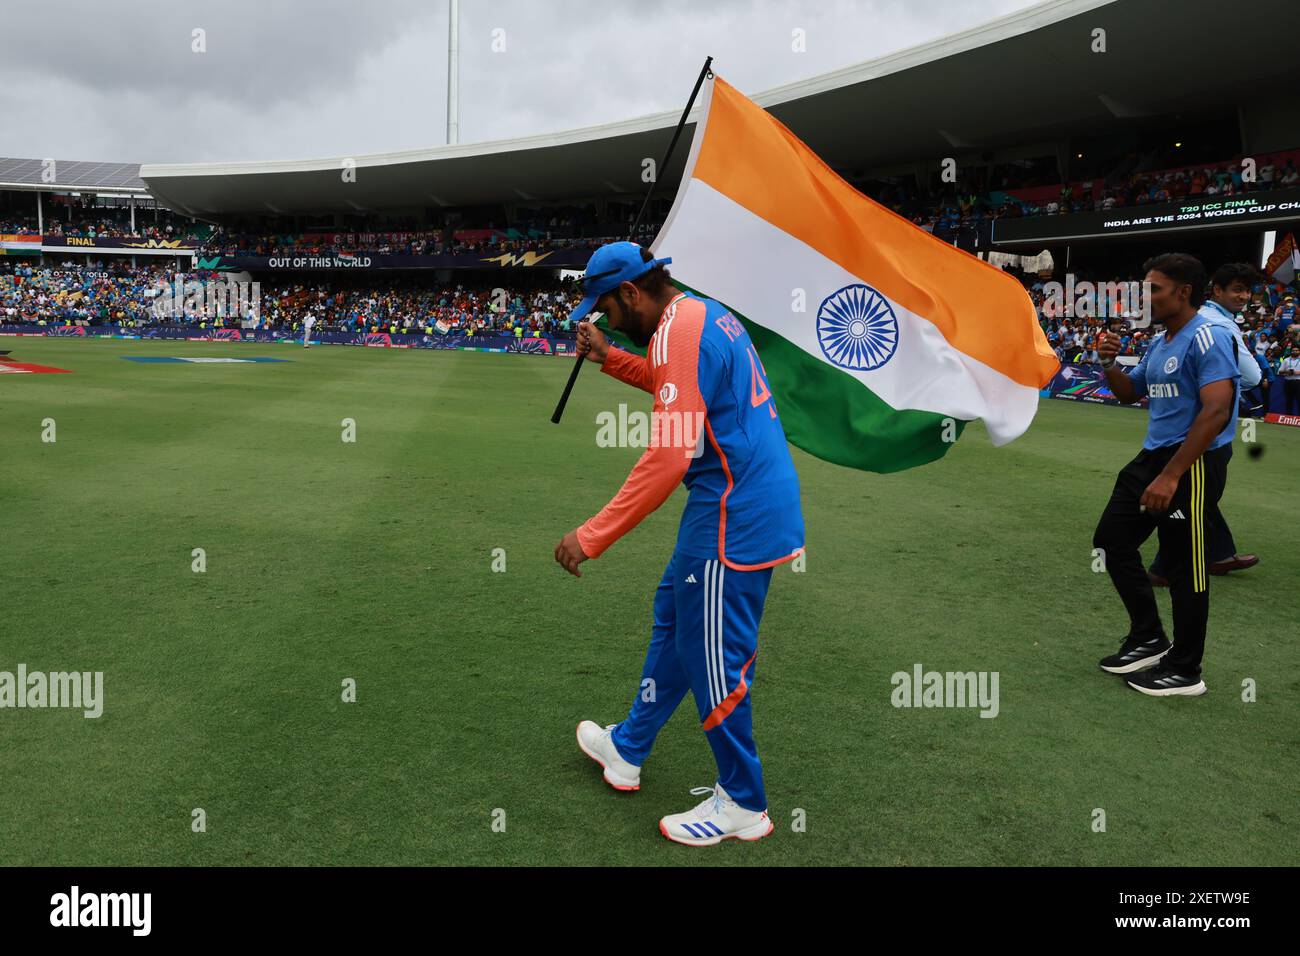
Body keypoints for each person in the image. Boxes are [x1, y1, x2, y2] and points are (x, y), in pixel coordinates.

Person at [557, 241, 804, 845]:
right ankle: (628, 748)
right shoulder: (696, 314)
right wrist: (612, 357)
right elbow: (676, 381)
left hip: (733, 512)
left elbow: (669, 455)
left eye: (608, 311)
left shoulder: (676, 330)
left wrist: (591, 536)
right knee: (676, 617)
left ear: (633, 293)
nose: (606, 321)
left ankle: (744, 803)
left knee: (712, 657)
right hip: (730, 501)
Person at [1093, 253, 1239, 697]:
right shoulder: (1161, 341)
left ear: (1184, 291)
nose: (1145, 297)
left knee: (1184, 567)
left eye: (1153, 288)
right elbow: (1129, 393)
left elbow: (1217, 410)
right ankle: (1148, 638)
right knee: (1112, 541)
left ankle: (1185, 669)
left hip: (1191, 464)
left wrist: (1173, 475)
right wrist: (1109, 365)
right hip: (1153, 457)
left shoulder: (1208, 336)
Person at [1148, 263, 1261, 585]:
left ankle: (1219, 554)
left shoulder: (1206, 322)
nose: (1244, 296)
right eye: (1237, 289)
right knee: (1190, 495)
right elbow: (1252, 376)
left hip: (1185, 426)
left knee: (1200, 497)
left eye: (1247, 290)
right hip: (1202, 431)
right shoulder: (1216, 326)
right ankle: (1164, 568)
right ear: (1217, 291)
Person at [1281, 344, 1300, 414]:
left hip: (1298, 382)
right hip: (1288, 382)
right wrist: (1287, 372)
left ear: (1299, 351)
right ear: (1291, 351)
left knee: (1299, 400)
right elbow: (1280, 371)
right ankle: (1289, 417)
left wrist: (1296, 372)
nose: (1295, 352)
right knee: (1289, 400)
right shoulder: (1286, 360)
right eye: (1293, 350)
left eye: (1296, 350)